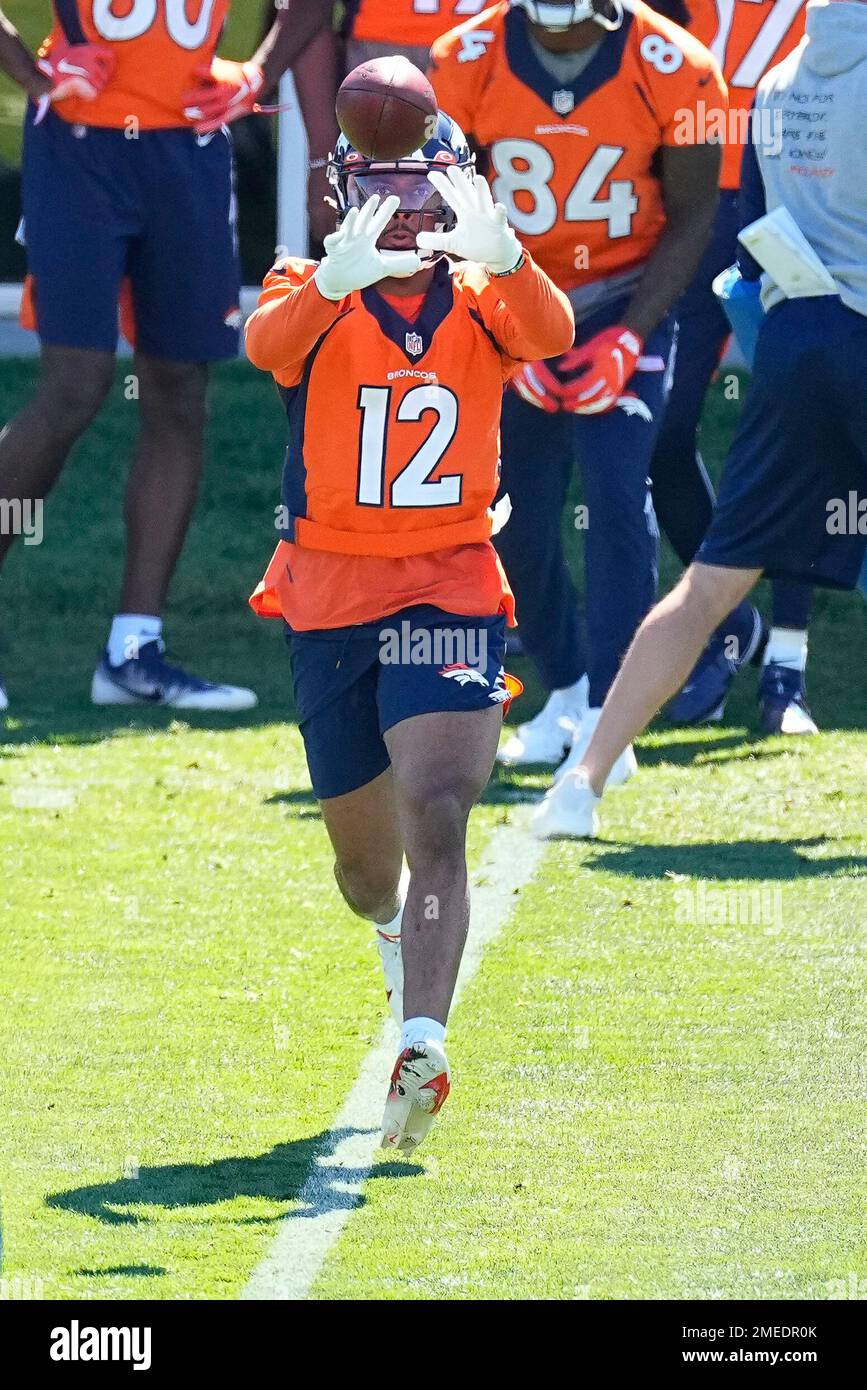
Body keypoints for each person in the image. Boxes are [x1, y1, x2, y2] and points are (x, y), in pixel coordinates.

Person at [245, 106, 574, 1149]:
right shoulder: (311, 283)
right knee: (363, 873)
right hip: (330, 591)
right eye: (378, 182)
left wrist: (512, 254)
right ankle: (394, 936)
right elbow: (266, 345)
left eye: (418, 182)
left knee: (438, 808)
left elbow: (556, 334)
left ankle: (422, 1042)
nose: (401, 206)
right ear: (346, 185)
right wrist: (335, 283)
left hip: (449, 582)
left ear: (451, 185)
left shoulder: (483, 290)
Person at [535, 0, 867, 840]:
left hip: (794, 338)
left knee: (709, 582)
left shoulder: (776, 85)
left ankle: (581, 782)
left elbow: (753, 230)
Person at [0, 0, 332, 715]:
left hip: (190, 146)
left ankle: (134, 648)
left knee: (180, 391)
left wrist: (257, 73)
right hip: (81, 143)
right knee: (74, 389)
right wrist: (26, 68)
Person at [429, 0, 726, 790]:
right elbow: (442, 208)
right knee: (509, 507)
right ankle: (562, 688)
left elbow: (696, 212)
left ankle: (608, 710)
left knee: (615, 490)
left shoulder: (678, 64)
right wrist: (499, 317)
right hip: (510, 294)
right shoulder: (463, 56)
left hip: (627, 295)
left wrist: (629, 334)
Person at [654, 0, 818, 737]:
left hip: (796, 197)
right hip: (687, 203)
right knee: (659, 430)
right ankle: (731, 628)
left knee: (804, 434)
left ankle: (787, 669)